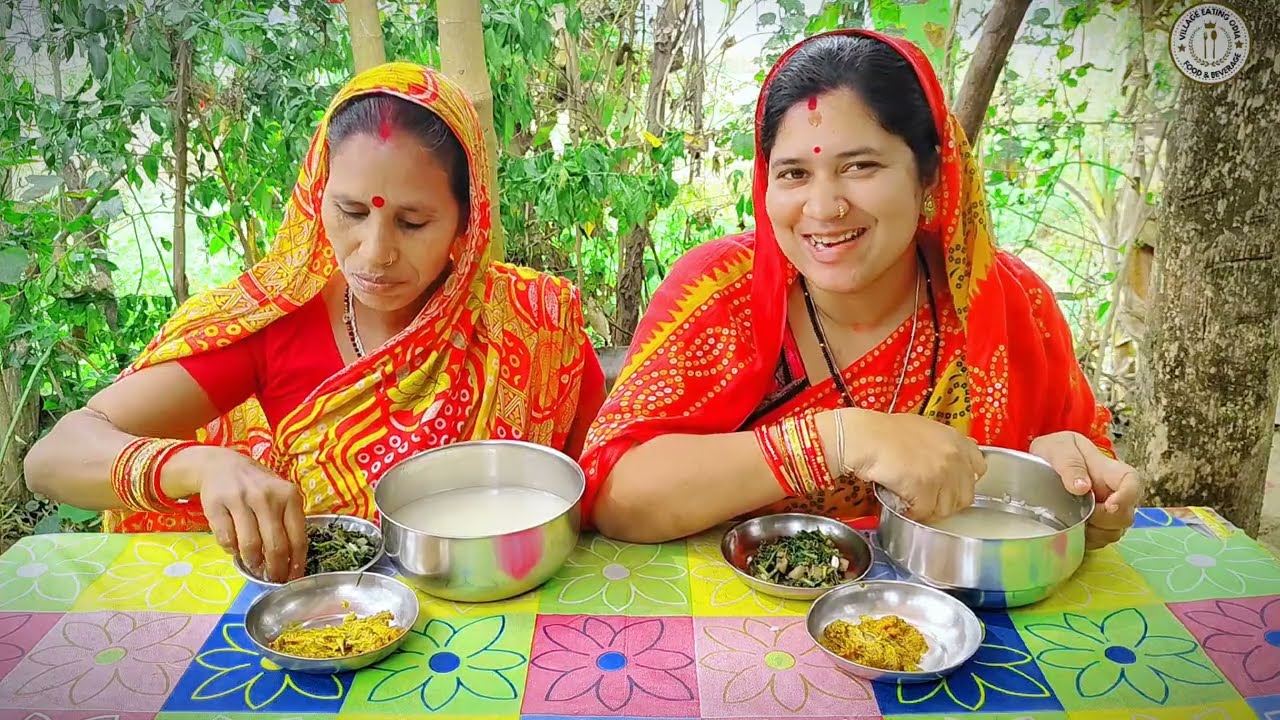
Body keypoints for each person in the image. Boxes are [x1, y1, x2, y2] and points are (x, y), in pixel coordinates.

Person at [25, 63, 607, 582]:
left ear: (466, 223)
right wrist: (201, 466)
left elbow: (593, 493)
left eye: (413, 223)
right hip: (327, 630)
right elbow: (51, 460)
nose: (374, 253)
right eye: (351, 212)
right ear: (316, 198)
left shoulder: (533, 325)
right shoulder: (275, 322)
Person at [580, 30, 1139, 548]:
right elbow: (616, 496)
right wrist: (841, 439)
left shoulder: (1009, 303)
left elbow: (1080, 500)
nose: (824, 208)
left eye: (861, 166)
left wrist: (1070, 482)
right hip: (735, 624)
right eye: (794, 174)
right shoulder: (720, 294)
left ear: (929, 175)